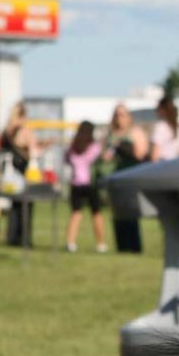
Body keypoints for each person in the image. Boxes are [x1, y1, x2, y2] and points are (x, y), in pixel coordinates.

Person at [103, 103, 147, 253]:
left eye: (122, 114)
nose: (119, 118)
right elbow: (105, 156)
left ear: (129, 117)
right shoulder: (110, 134)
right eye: (116, 114)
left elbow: (141, 155)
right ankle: (121, 247)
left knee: (131, 213)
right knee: (117, 213)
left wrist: (123, 147)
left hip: (130, 177)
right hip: (115, 177)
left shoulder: (135, 132)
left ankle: (134, 246)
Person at [63, 121, 107, 253]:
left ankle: (70, 242)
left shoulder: (72, 148)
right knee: (96, 213)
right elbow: (101, 158)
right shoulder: (94, 147)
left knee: (76, 213)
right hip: (90, 183)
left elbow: (66, 159)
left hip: (75, 183)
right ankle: (100, 243)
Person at [150, 96, 179, 162]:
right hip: (173, 164)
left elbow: (155, 154)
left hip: (162, 164)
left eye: (157, 109)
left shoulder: (161, 127)